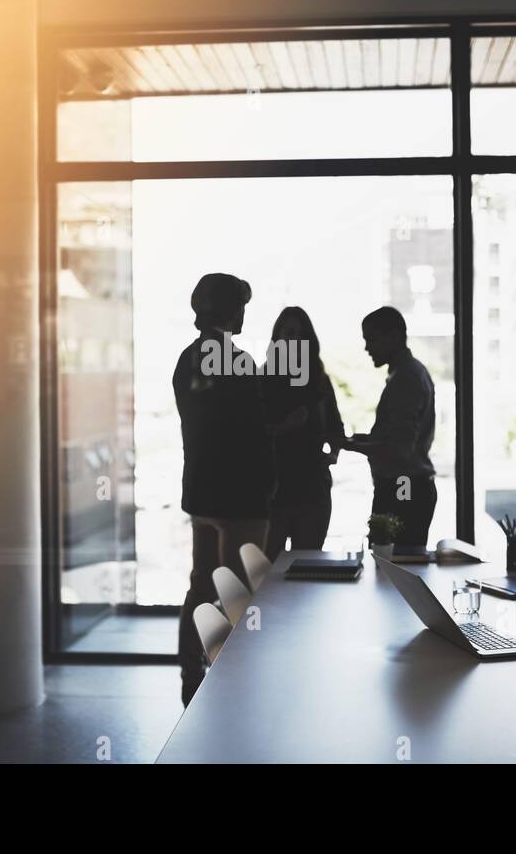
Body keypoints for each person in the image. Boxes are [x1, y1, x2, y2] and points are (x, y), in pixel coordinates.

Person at [173, 272, 275, 707]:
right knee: (237, 593)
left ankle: (191, 673)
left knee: (200, 586)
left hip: (202, 491)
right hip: (241, 495)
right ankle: (233, 683)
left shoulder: (186, 359)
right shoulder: (237, 360)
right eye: (242, 306)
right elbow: (255, 432)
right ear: (232, 309)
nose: (245, 313)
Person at [340, 306, 437, 548]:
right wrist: (359, 442)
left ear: (394, 336)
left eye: (372, 339)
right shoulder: (410, 373)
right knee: (395, 569)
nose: (367, 348)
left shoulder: (406, 379)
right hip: (406, 487)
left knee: (393, 568)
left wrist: (353, 445)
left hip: (402, 488)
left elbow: (400, 449)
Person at [261, 307, 345, 558]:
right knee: (266, 575)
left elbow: (335, 427)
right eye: (288, 333)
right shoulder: (263, 379)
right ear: (277, 337)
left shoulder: (318, 380)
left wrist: (334, 453)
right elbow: (250, 435)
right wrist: (284, 427)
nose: (294, 340)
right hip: (275, 489)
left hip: (312, 488)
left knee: (307, 569)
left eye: (300, 334)